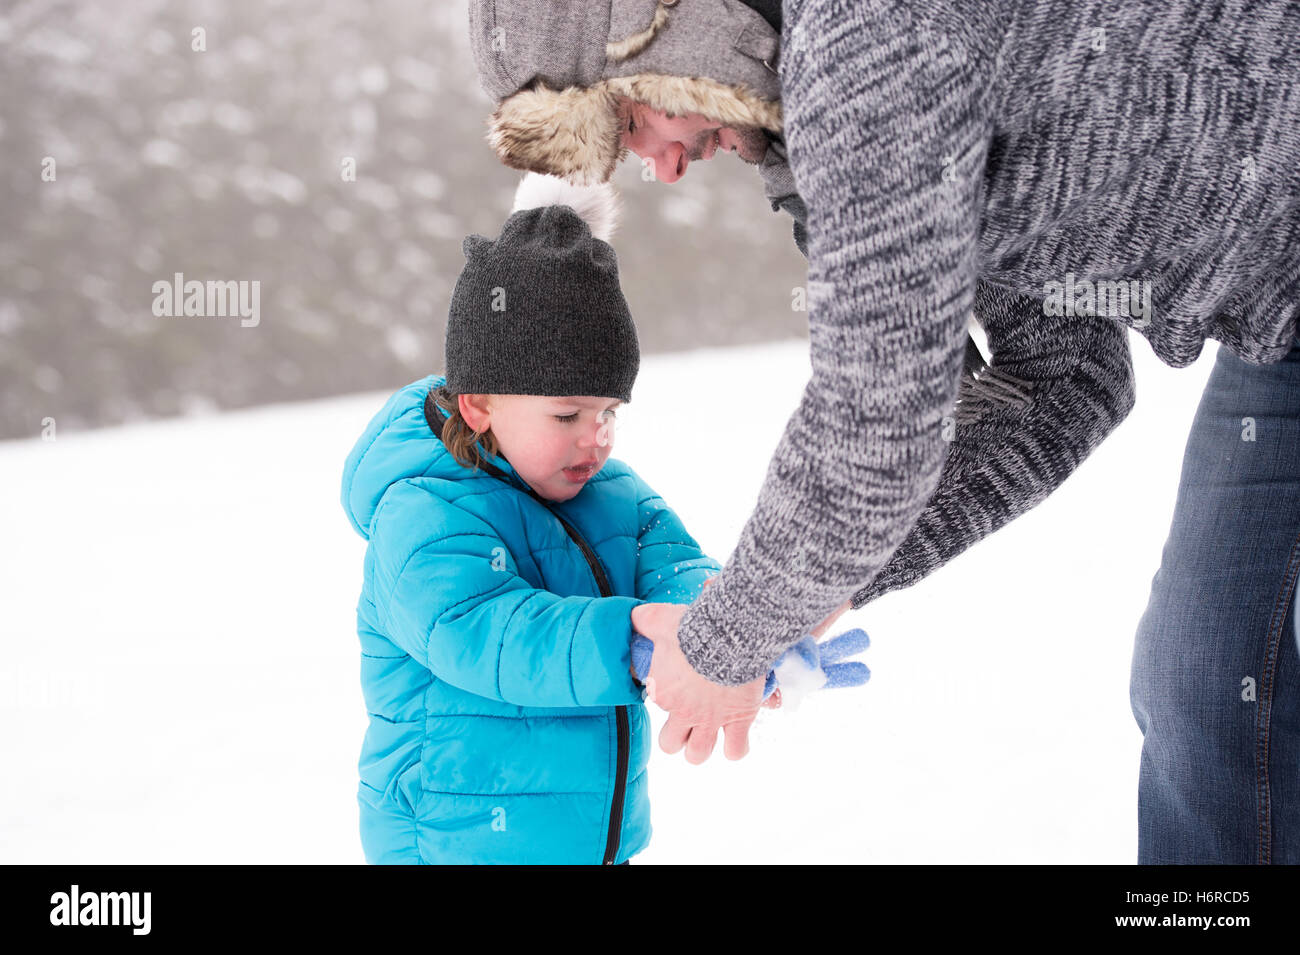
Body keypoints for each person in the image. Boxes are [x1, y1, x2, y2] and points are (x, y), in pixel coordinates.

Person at [466, 0, 1300, 863]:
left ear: (668, 35)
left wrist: (728, 639)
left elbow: (878, 418)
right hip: (1279, 333)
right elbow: (1061, 378)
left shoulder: (867, 43)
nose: (664, 168)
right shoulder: (826, 114)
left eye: (635, 123)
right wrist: (816, 589)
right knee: (1210, 688)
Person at [339, 172, 727, 863]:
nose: (597, 436)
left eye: (609, 411)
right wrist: (631, 636)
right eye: (567, 414)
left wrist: (738, 631)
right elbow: (489, 634)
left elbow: (678, 568)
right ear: (479, 404)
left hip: (593, 840)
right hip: (455, 845)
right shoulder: (422, 510)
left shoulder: (614, 493)